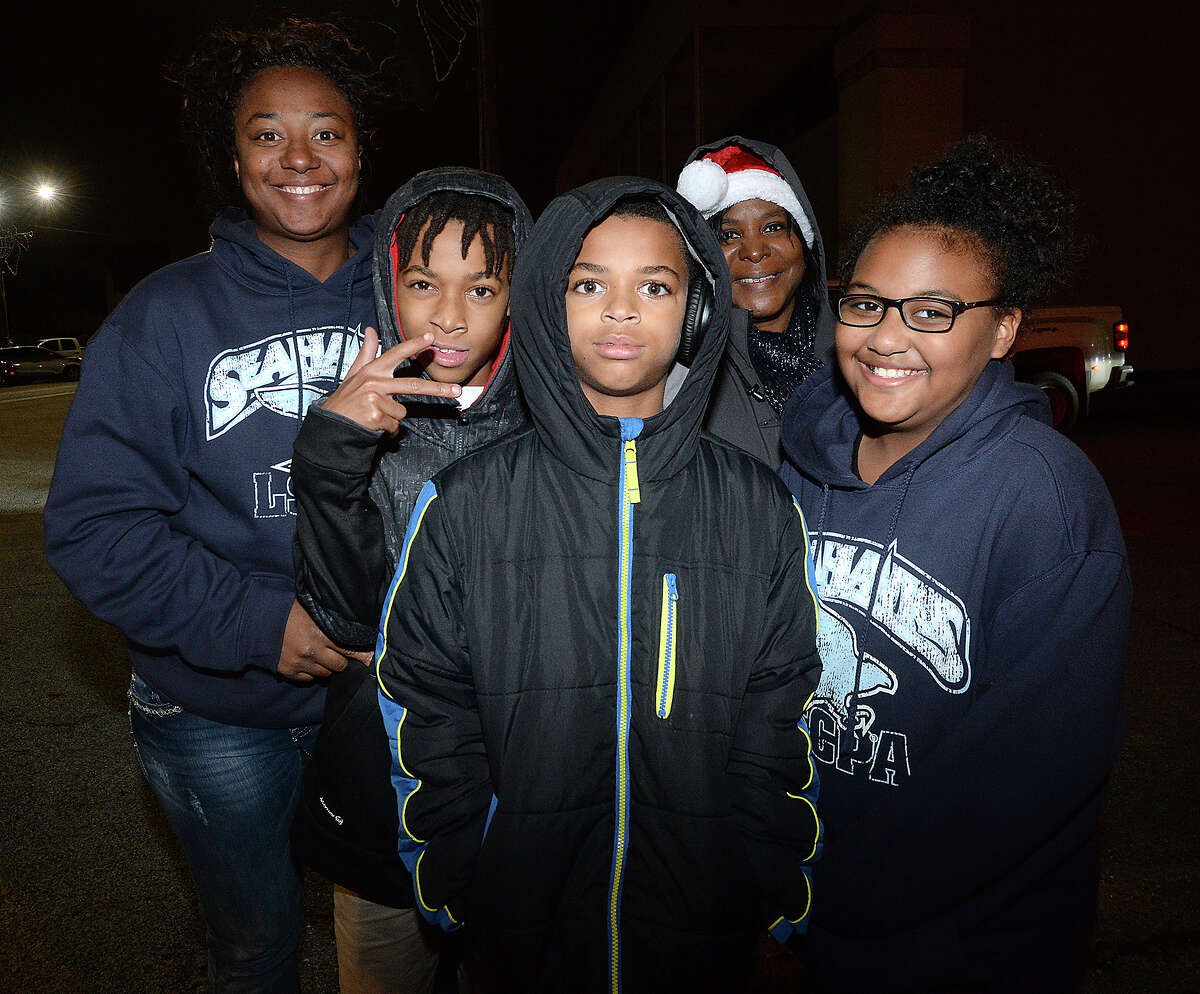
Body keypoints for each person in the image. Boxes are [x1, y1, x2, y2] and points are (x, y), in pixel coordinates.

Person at [375, 178, 823, 993]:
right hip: (520, 931)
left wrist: (769, 880)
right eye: (588, 285)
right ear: (548, 303)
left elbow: (782, 708)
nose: (620, 311)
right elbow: (423, 699)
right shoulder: (465, 503)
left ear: (696, 313)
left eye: (654, 287)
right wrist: (459, 874)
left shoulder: (758, 506)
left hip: (703, 932)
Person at [43, 18, 386, 992]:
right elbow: (95, 527)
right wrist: (259, 623)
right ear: (232, 161)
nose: (299, 158)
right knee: (255, 946)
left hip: (389, 696)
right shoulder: (163, 314)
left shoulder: (419, 298)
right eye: (266, 134)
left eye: (325, 131)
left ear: (360, 149)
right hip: (216, 708)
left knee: (409, 931)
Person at [779, 136, 1130, 992]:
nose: (885, 337)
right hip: (806, 912)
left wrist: (844, 893)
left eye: (932, 312)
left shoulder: (1044, 497)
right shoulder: (794, 468)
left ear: (1003, 329)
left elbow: (1033, 775)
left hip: (968, 942)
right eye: (866, 303)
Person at [288, 168, 533, 993]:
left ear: (517, 297)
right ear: (389, 283)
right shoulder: (352, 422)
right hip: (384, 801)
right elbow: (349, 621)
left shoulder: (560, 420)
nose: (449, 316)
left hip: (522, 809)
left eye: (483, 288)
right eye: (424, 283)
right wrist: (331, 456)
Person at [675, 136, 836, 464]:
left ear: (804, 243)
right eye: (730, 235)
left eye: (773, 228)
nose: (754, 251)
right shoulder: (682, 378)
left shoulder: (862, 353)